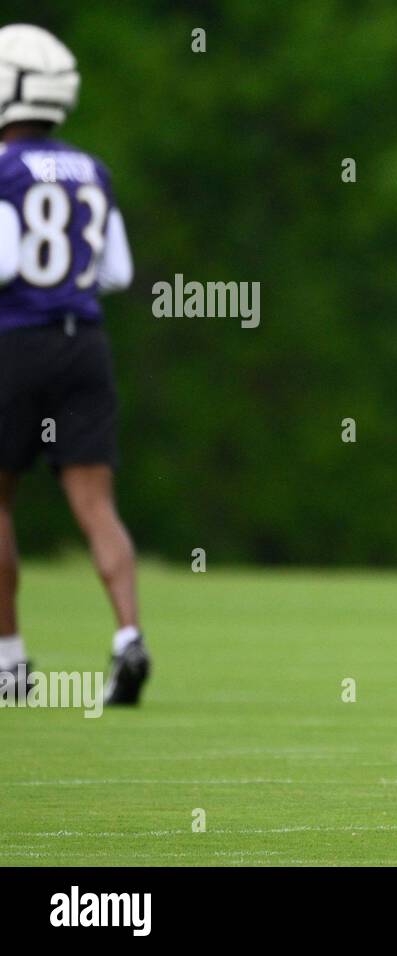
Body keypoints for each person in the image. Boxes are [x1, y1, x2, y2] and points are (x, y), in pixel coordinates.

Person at [0, 23, 150, 705]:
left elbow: (6, 262)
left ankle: (10, 660)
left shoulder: (5, 170)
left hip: (14, 342)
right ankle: (128, 638)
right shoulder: (92, 169)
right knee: (95, 503)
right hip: (84, 343)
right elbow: (115, 271)